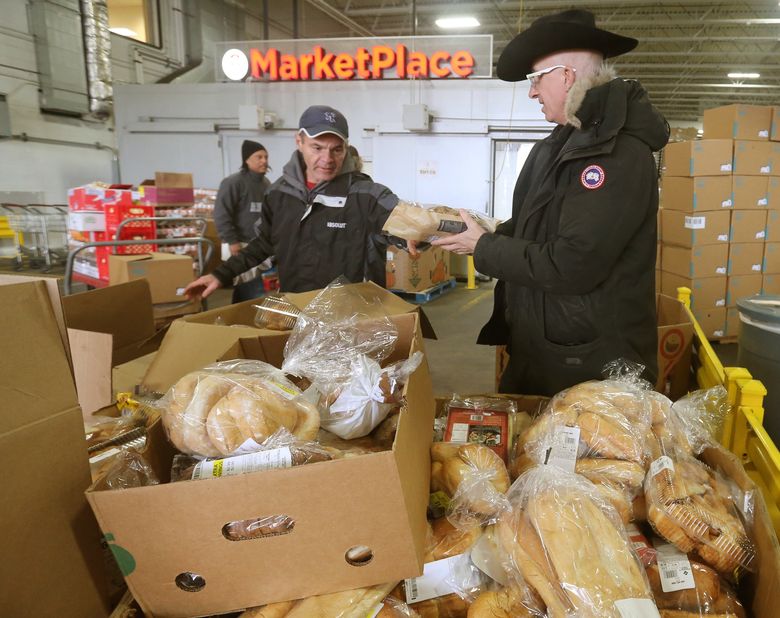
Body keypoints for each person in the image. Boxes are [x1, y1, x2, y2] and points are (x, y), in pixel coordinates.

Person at [433, 9, 670, 396]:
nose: (531, 92)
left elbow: (573, 263)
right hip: (545, 351)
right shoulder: (558, 146)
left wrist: (484, 247)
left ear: (566, 75)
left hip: (590, 366)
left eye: (534, 79)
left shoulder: (616, 153)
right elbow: (532, 228)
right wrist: (447, 230)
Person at [186, 105, 411, 298]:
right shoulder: (278, 194)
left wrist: (425, 233)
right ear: (299, 142)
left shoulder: (366, 195)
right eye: (317, 147)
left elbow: (409, 223)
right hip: (296, 308)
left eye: (336, 150)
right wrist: (220, 274)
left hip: (352, 317)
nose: (327, 159)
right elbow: (263, 244)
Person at [213, 139, 272, 302]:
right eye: (259, 157)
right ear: (246, 160)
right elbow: (221, 214)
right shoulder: (233, 183)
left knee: (252, 289)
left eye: (266, 157)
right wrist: (232, 241)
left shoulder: (266, 184)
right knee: (249, 289)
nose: (264, 161)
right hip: (240, 245)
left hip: (260, 246)